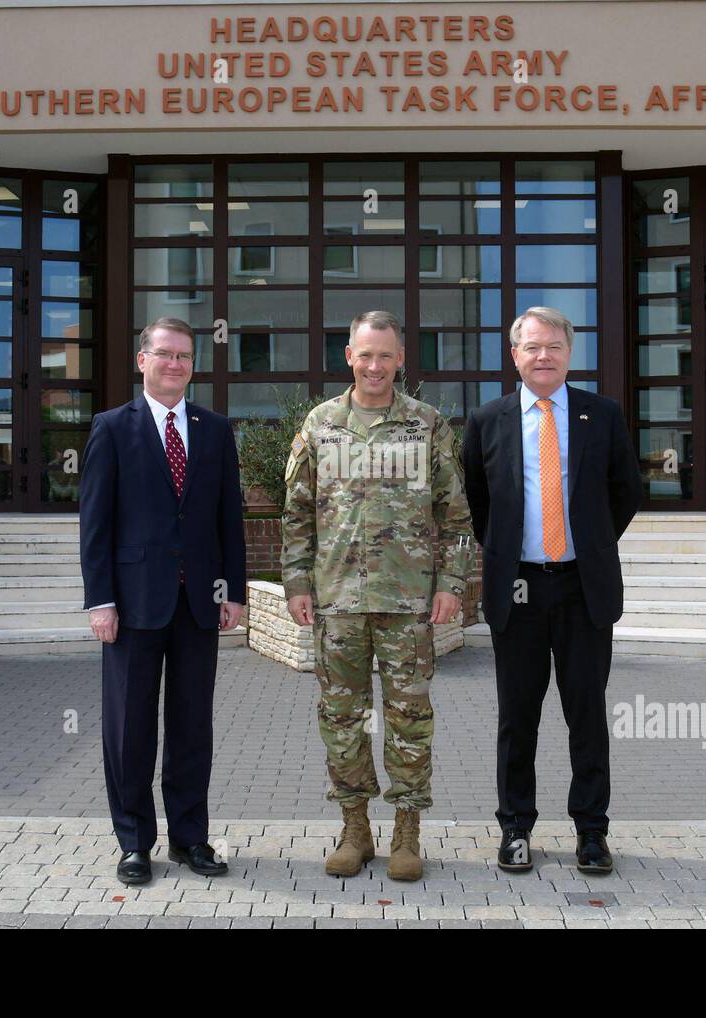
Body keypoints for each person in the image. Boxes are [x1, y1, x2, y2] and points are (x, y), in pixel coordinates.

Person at [281, 310, 473, 882]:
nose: (374, 366)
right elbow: (295, 513)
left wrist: (452, 585)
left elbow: (456, 514)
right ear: (349, 356)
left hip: (408, 602)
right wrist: (296, 582)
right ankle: (355, 829)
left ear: (401, 359)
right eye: (365, 354)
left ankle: (407, 832)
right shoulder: (320, 424)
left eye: (385, 355)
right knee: (342, 717)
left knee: (410, 717)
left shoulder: (427, 424)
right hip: (337, 599)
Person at [461, 307, 642, 875]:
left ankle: (592, 832)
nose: (544, 356)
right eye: (532, 347)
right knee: (518, 717)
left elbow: (625, 492)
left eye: (554, 346)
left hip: (582, 589)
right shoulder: (487, 420)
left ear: (570, 352)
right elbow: (477, 501)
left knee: (585, 713)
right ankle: (516, 828)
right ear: (514, 355)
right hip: (515, 590)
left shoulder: (602, 415)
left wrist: (585, 546)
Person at [78, 316, 246, 886]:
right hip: (131, 605)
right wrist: (100, 600)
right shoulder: (111, 428)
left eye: (185, 356)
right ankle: (133, 842)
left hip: (199, 603)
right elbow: (95, 525)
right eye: (165, 354)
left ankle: (190, 838)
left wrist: (234, 592)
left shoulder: (215, 429)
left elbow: (230, 520)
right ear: (141, 360)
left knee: (192, 726)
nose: (175, 364)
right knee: (129, 727)